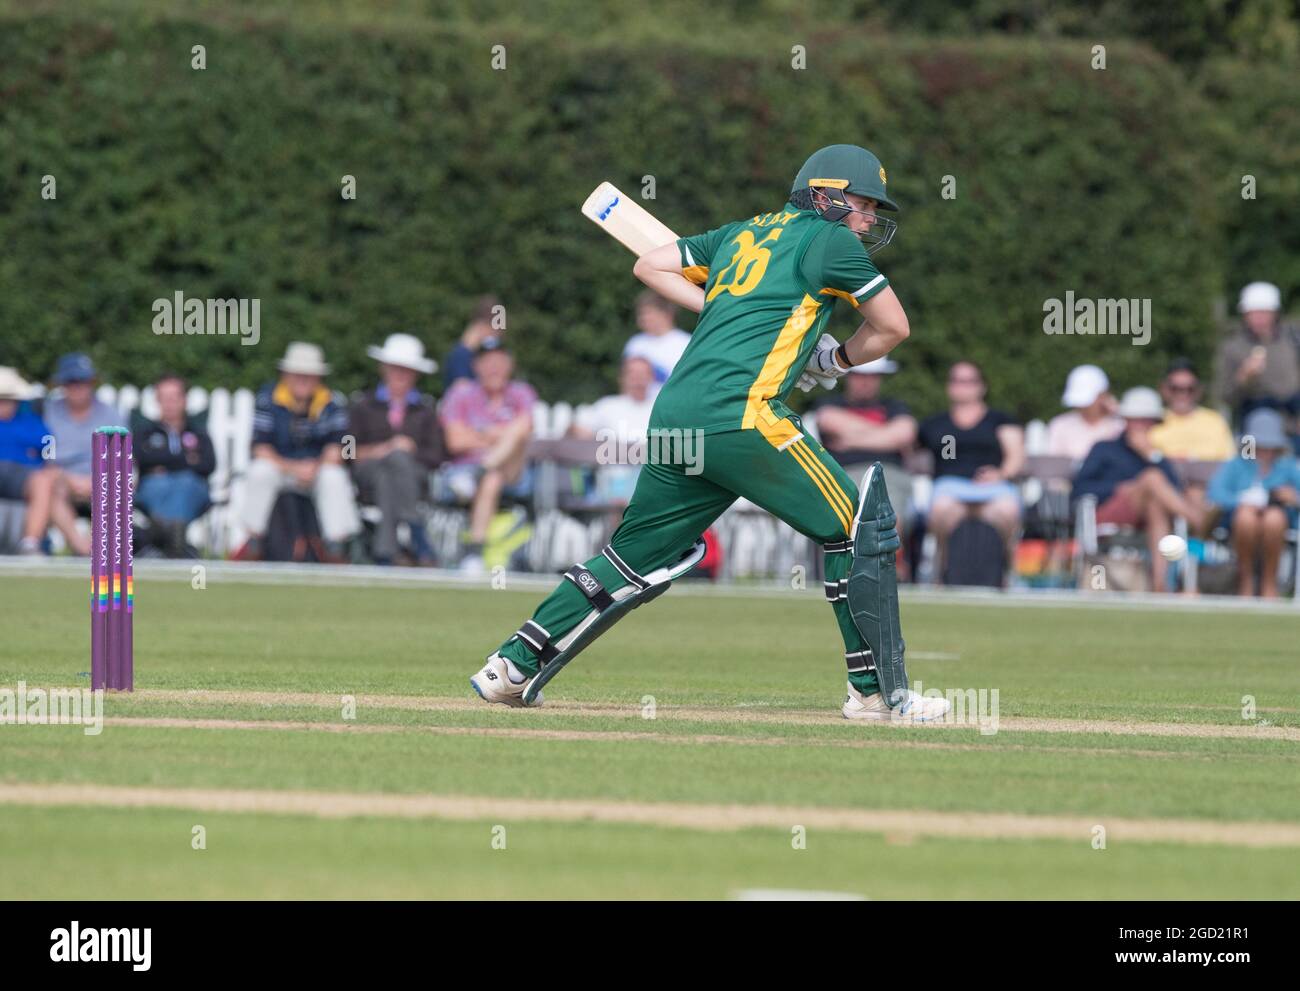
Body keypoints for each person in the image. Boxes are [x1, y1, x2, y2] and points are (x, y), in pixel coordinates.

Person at [469, 144, 951, 723]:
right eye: (865, 204)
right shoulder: (831, 242)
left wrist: (722, 308)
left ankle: (511, 666)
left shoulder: (739, 234)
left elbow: (649, 265)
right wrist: (836, 360)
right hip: (742, 413)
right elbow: (894, 325)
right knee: (857, 526)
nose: (869, 219)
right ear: (826, 195)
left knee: (630, 557)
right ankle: (875, 693)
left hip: (676, 415)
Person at [1073, 387, 1208, 592]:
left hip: (1150, 514)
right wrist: (1120, 488)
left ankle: (1159, 585)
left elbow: (1174, 488)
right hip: (1109, 510)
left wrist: (1150, 455)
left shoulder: (1156, 455)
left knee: (1156, 503)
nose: (1141, 426)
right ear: (1126, 420)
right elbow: (1081, 488)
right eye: (1136, 420)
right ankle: (1198, 521)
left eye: (1147, 421)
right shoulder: (1104, 448)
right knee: (1151, 478)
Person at [240, 342, 360, 560]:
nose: (303, 379)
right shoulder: (267, 399)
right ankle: (254, 541)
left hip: (318, 469)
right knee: (260, 471)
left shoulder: (334, 402)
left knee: (334, 477)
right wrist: (295, 468)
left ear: (319, 377)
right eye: (298, 374)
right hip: (282, 469)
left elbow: (345, 447)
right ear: (286, 374)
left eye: (309, 375)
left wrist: (318, 466)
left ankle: (336, 547)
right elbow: (260, 448)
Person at [918, 360, 1025, 580]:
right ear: (949, 386)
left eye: (969, 381)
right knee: (939, 508)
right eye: (957, 381)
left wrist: (1000, 474)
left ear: (982, 386)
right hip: (949, 488)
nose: (962, 386)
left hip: (993, 488)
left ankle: (1006, 570)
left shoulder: (1000, 420)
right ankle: (942, 571)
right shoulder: (934, 424)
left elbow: (1016, 458)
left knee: (1008, 509)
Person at [438, 338, 536, 573]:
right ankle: (475, 550)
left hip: (513, 469)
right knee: (492, 478)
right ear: (476, 366)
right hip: (467, 470)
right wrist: (495, 434)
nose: (494, 367)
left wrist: (482, 434)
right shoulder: (460, 394)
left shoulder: (521, 393)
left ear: (509, 365)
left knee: (519, 430)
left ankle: (481, 471)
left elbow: (525, 429)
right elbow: (455, 441)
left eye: (499, 361)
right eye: (488, 361)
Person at [349, 333, 445, 565]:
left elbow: (436, 456)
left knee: (392, 470)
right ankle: (416, 530)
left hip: (412, 474)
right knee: (391, 464)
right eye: (395, 368)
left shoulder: (425, 410)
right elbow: (347, 451)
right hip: (369, 472)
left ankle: (386, 552)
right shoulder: (363, 405)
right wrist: (381, 450)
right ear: (384, 368)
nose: (400, 375)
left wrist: (408, 450)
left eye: (407, 370)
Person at [812, 355, 917, 537]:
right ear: (848, 376)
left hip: (888, 475)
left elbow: (906, 433)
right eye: (859, 375)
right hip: (842, 475)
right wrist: (887, 434)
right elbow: (827, 419)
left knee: (888, 510)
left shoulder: (893, 405)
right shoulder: (830, 404)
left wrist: (850, 439)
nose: (866, 382)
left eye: (872, 376)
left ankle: (888, 563)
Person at [1206, 409, 1300, 598]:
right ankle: (1245, 581)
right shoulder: (1237, 464)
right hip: (1239, 524)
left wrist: (1292, 497)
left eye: (1269, 445)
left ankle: (1269, 583)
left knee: (1274, 518)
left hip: (1278, 523)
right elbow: (1215, 493)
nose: (1265, 450)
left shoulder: (1288, 465)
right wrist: (1243, 500)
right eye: (1260, 444)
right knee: (1246, 517)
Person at [0, 367, 89, 555]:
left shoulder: (31, 422)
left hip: (22, 475)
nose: (4, 405)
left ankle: (30, 543)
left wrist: (46, 463)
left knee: (44, 480)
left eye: (7, 400)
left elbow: (48, 447)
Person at [134, 374, 216, 557]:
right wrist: (186, 461)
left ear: (184, 400)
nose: (170, 403)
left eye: (174, 397)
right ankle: (175, 541)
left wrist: (164, 464)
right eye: (165, 398)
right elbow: (142, 458)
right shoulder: (145, 432)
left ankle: (161, 535)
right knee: (161, 484)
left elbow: (208, 464)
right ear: (157, 400)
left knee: (185, 483)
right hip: (154, 489)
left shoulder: (198, 432)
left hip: (191, 489)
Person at [570, 356, 657, 504]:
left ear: (651, 378)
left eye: (643, 374)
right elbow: (575, 428)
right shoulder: (608, 406)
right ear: (622, 378)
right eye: (633, 374)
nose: (638, 379)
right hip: (613, 481)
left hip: (653, 480)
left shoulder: (659, 407)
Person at [41, 352, 126, 503]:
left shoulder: (110, 414)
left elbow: (120, 457)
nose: (78, 386)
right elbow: (44, 456)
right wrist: (69, 479)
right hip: (61, 480)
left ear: (92, 382)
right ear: (63, 384)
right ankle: (73, 528)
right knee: (47, 488)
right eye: (71, 381)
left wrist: (97, 480)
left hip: (103, 481)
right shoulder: (49, 413)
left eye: (83, 381)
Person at [1213, 281, 1300, 425]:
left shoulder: (1293, 340)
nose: (1258, 318)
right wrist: (1243, 377)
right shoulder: (1233, 347)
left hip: (1292, 426)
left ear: (1275, 313)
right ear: (1244, 314)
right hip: (1251, 426)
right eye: (1253, 313)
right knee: (1248, 448)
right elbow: (1226, 396)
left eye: (1264, 312)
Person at [1150, 359, 1235, 463]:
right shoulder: (1151, 420)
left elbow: (1229, 462)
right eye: (1175, 388)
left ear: (1199, 390)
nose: (1183, 395)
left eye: (1190, 389)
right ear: (1164, 389)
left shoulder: (1215, 421)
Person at [1044, 364, 1122, 462]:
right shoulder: (1060, 425)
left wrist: (1119, 413)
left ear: (1103, 396)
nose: (1084, 407)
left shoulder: (1118, 424)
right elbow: (1054, 464)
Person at [622, 290, 692, 390]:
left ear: (667, 314)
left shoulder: (686, 343)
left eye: (648, 313)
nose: (643, 319)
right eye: (641, 314)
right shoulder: (635, 344)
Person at [443, 296, 500, 390]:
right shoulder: (462, 356)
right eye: (495, 331)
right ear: (483, 326)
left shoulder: (467, 353)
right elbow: (462, 390)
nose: (495, 337)